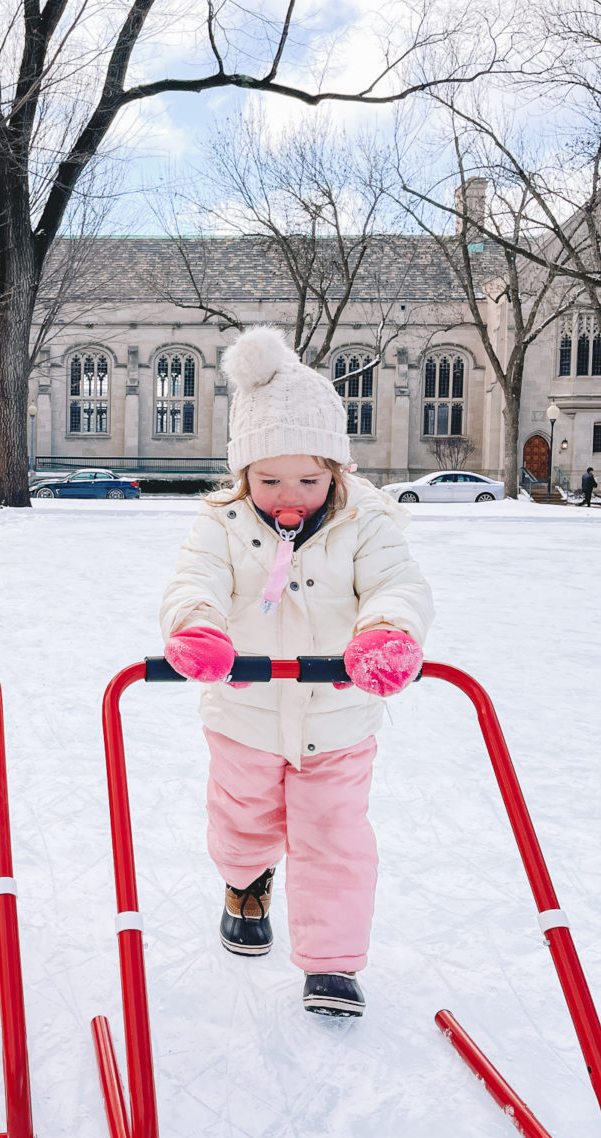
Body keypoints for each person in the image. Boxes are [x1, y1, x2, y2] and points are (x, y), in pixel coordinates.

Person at [160, 327, 434, 1018]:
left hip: (338, 720)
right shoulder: (221, 524)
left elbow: (397, 584)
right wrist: (197, 627)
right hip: (245, 716)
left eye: (309, 480)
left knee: (334, 838)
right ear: (242, 472)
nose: (291, 494)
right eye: (269, 478)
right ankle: (245, 881)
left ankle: (333, 962)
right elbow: (195, 581)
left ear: (337, 470)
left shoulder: (366, 521)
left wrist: (388, 632)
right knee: (242, 823)